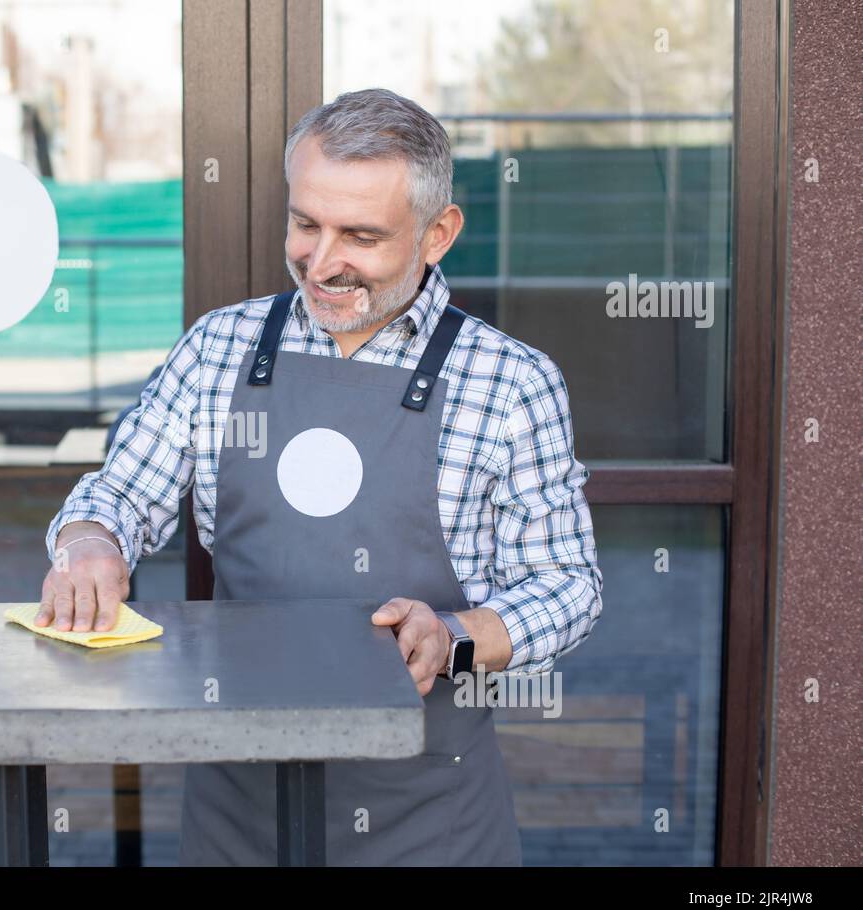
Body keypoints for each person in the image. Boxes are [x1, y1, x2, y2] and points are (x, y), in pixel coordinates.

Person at [39, 88, 603, 865]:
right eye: (306, 224)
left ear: (437, 233)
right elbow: (122, 492)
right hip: (239, 804)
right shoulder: (219, 348)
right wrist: (89, 540)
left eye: (361, 236)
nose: (322, 260)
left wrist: (457, 638)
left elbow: (569, 586)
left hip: (427, 815)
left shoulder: (510, 382)